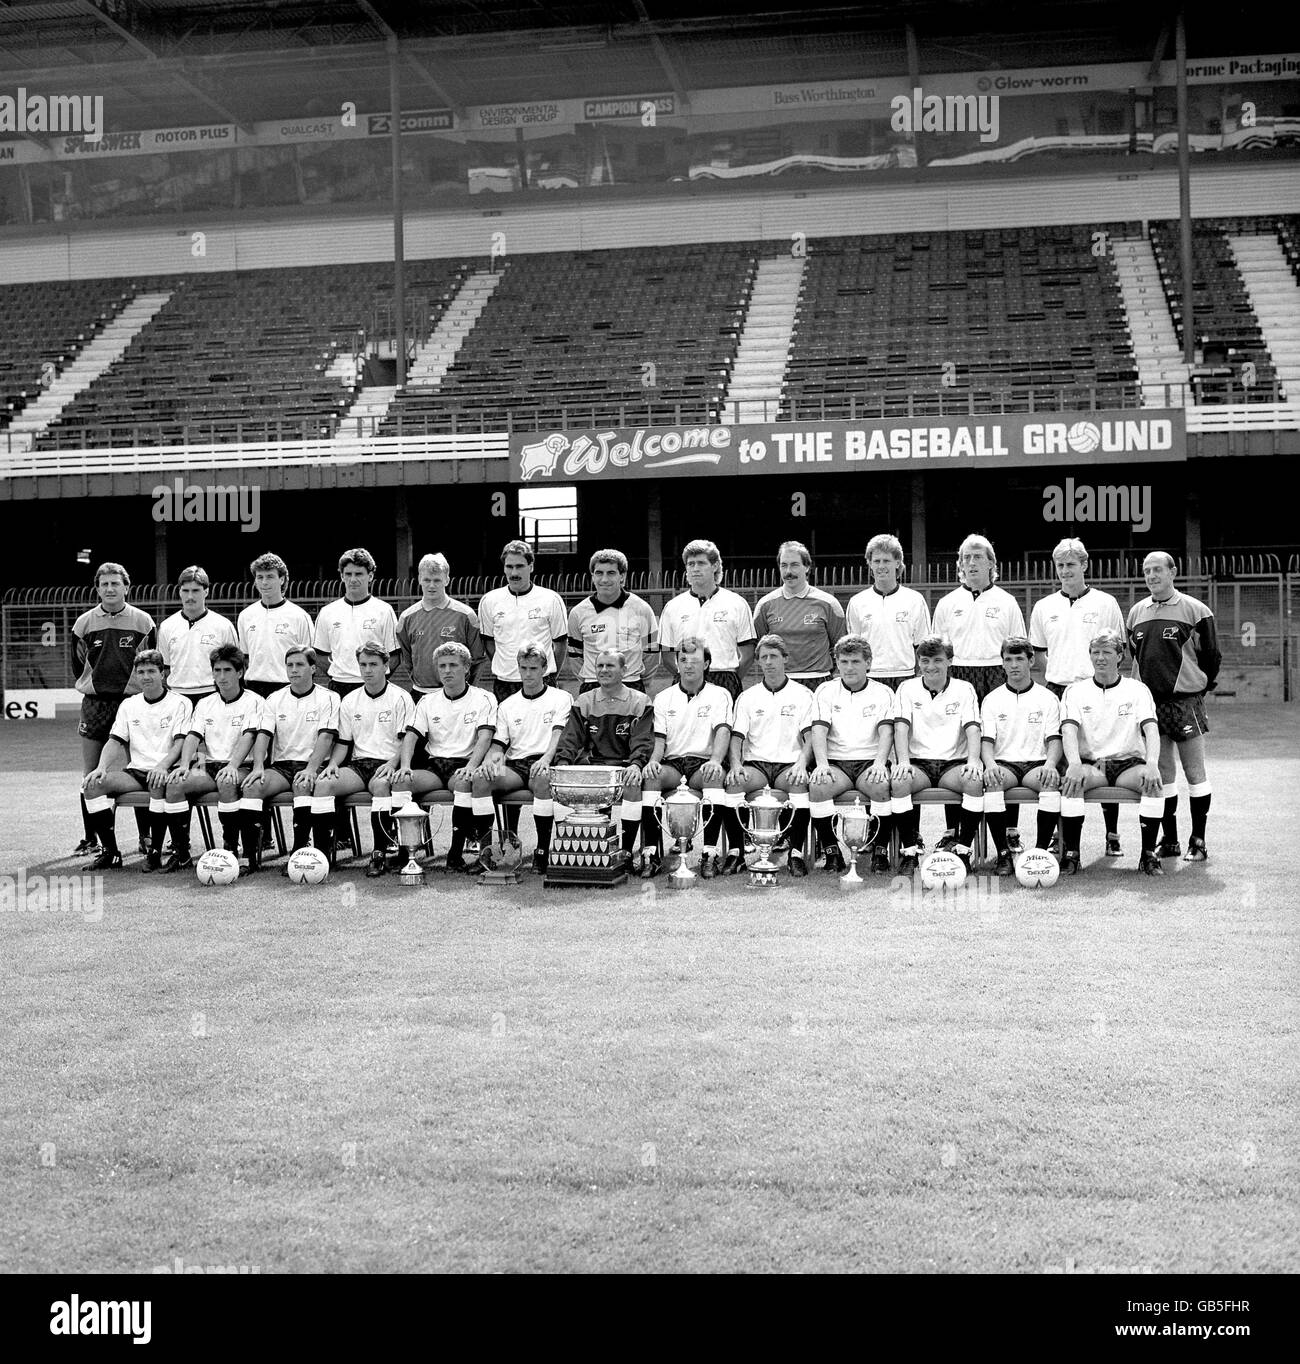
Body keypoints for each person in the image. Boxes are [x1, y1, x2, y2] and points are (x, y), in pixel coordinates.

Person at [1029, 538, 1126, 855]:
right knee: (1061, 764)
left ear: (1084, 565)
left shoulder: (1105, 603)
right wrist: (1060, 675)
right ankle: (1062, 835)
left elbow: (1117, 649)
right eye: (1060, 565)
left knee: (1100, 755)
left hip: (1096, 690)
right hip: (1058, 690)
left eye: (1071, 564)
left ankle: (1112, 834)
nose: (1065, 571)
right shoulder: (1044, 607)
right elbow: (1040, 655)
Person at [1125, 551, 1220, 862]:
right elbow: (1134, 655)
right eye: (1147, 571)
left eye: (1158, 570)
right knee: (1163, 773)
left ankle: (1199, 840)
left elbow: (1211, 657)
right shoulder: (1136, 612)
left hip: (1185, 703)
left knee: (1195, 772)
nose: (1152, 576)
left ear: (1173, 572)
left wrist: (1200, 686)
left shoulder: (1196, 610)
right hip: (1151, 706)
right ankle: (1171, 840)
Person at [931, 534, 1025, 846]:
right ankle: (952, 829)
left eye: (978, 557)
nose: (972, 563)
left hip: (996, 675)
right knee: (956, 748)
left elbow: (1017, 647)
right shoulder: (947, 604)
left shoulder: (1006, 601)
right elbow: (938, 650)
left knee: (1002, 748)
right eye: (966, 558)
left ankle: (1009, 829)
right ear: (960, 565)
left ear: (991, 564)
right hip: (959, 675)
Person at [1059, 630, 1165, 876]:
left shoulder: (1137, 690)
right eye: (1095, 652)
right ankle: (1072, 855)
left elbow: (1151, 730)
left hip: (1129, 764)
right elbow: (1069, 731)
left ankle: (1148, 856)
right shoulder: (1075, 691)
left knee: (1154, 785)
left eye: (1107, 652)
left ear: (1120, 657)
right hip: (1094, 765)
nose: (1100, 658)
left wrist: (1152, 763)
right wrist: (1074, 763)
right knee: (1071, 783)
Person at [71, 561, 156, 857]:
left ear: (126, 587)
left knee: (142, 767)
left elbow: (149, 664)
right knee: (91, 771)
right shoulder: (83, 624)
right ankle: (91, 838)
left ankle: (145, 838)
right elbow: (77, 666)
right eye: (104, 584)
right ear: (97, 588)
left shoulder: (143, 622)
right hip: (95, 705)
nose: (109, 588)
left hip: (132, 704)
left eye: (115, 583)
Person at [390, 642, 498, 874]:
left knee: (462, 782)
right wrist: (406, 766)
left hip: (463, 763)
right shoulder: (427, 701)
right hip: (433, 765)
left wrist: (471, 766)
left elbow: (485, 737)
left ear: (466, 668)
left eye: (453, 665)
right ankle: (403, 854)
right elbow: (411, 736)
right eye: (442, 666)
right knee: (400, 781)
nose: (447, 671)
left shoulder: (484, 698)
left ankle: (455, 854)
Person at [80, 649, 191, 872]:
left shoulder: (181, 703)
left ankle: (155, 853)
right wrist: (101, 768)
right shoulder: (129, 705)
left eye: (151, 671)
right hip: (136, 772)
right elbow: (114, 740)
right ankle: (110, 853)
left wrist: (162, 766)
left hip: (166, 771)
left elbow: (181, 743)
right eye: (141, 672)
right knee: (91, 786)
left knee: (157, 781)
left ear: (163, 673)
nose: (146, 677)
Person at [309, 641, 416, 870]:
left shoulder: (401, 697)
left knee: (380, 786)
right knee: (324, 783)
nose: (368, 670)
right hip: (359, 765)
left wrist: (392, 763)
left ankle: (379, 852)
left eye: (373, 664)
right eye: (363, 664)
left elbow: (405, 740)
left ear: (386, 666)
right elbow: (344, 743)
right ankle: (321, 856)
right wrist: (334, 764)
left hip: (389, 763)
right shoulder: (350, 700)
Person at [550, 649, 655, 869]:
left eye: (610, 666)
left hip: (625, 766)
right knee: (572, 784)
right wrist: (563, 764)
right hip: (594, 768)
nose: (604, 670)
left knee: (633, 786)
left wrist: (636, 764)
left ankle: (625, 853)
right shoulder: (585, 700)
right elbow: (571, 738)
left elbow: (643, 740)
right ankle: (578, 850)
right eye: (600, 666)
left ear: (624, 670)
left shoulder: (640, 701)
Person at [167, 644, 268, 872]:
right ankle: (181, 855)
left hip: (244, 765)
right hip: (209, 765)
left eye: (227, 670)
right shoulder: (205, 703)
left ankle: (231, 851)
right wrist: (184, 765)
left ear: (240, 672)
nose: (221, 676)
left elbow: (249, 736)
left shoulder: (255, 701)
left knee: (227, 780)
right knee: (174, 784)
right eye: (217, 670)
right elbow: (193, 736)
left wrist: (233, 765)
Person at [722, 635, 816, 877]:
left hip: (789, 765)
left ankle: (795, 853)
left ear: (785, 659)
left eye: (774, 656)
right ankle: (736, 853)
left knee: (801, 783)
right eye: (763, 657)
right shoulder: (748, 697)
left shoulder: (803, 694)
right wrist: (734, 764)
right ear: (758, 663)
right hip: (757, 765)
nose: (769, 662)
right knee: (734, 782)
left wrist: (802, 764)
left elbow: (810, 738)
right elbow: (737, 738)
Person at [640, 636, 732, 879]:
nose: (688, 665)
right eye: (683, 660)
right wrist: (653, 762)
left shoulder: (720, 694)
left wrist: (715, 759)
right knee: (651, 778)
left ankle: (709, 854)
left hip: (702, 762)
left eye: (694, 660)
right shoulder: (663, 697)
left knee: (715, 776)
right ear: (677, 664)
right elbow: (660, 740)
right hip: (673, 763)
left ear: (706, 663)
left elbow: (723, 731)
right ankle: (652, 854)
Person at [889, 635, 983, 873]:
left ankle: (962, 851)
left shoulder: (964, 689)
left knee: (973, 780)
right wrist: (903, 762)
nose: (931, 666)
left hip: (953, 765)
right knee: (899, 782)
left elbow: (973, 727)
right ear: (918, 662)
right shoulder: (906, 688)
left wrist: (973, 760)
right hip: (919, 764)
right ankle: (910, 852)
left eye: (938, 660)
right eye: (925, 660)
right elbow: (901, 727)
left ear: (950, 661)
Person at [242, 646, 340, 873]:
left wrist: (311, 769)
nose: (293, 670)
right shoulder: (275, 699)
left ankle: (299, 854)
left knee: (303, 783)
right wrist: (258, 767)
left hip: (314, 765)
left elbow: (326, 737)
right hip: (282, 767)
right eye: (290, 665)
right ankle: (249, 858)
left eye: (299, 665)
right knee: (252, 787)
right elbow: (264, 735)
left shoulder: (329, 697)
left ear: (313, 668)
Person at [479, 645, 573, 874]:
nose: (528, 674)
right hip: (515, 765)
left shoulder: (561, 698)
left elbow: (558, 734)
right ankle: (488, 851)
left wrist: (546, 759)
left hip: (544, 761)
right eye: (524, 668)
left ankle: (542, 851)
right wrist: (489, 763)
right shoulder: (508, 704)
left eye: (533, 668)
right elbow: (499, 744)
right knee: (481, 780)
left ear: (544, 669)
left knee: (542, 780)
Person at [808, 635, 897, 875]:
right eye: (844, 661)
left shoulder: (884, 692)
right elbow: (818, 730)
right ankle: (832, 854)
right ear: (836, 662)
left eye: (856, 661)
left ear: (868, 663)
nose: (849, 667)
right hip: (837, 763)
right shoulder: (825, 690)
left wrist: (880, 763)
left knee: (880, 785)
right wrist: (822, 764)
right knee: (818, 786)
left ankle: (880, 851)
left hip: (870, 761)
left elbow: (886, 731)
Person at [980, 637, 1064, 875]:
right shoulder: (992, 699)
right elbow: (987, 741)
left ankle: (1039, 854)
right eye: (1008, 660)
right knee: (992, 781)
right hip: (1004, 764)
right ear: (1002, 664)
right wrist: (990, 764)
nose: (1014, 664)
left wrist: (1050, 763)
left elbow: (1054, 740)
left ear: (1031, 660)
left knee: (1050, 782)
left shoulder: (1047, 698)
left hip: (1036, 764)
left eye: (1019, 659)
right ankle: (1004, 855)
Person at [658, 538, 756, 701]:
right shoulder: (673, 606)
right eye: (691, 564)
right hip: (686, 680)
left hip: (725, 678)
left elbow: (748, 654)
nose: (695, 569)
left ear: (715, 566)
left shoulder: (736, 603)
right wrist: (686, 674)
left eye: (701, 563)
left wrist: (732, 679)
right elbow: (667, 656)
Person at [478, 539, 568, 702]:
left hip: (543, 681)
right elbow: (489, 643)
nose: (514, 573)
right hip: (505, 683)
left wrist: (548, 674)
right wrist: (506, 667)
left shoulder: (551, 599)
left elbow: (561, 644)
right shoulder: (489, 600)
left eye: (519, 566)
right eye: (509, 566)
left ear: (531, 566)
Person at [751, 540, 845, 690]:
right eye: (784, 565)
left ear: (807, 567)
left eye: (794, 565)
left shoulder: (828, 603)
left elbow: (841, 647)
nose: (789, 571)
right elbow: (757, 647)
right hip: (781, 682)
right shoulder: (765, 605)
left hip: (819, 681)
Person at [566, 548, 659, 693]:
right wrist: (591, 678)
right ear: (592, 576)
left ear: (622, 576)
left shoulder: (642, 609)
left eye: (611, 573)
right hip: (593, 685)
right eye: (599, 573)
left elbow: (652, 653)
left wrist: (639, 681)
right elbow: (575, 656)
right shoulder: (577, 613)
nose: (604, 579)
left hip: (631, 684)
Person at [844, 534, 931, 689]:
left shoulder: (915, 600)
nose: (881, 566)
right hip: (870, 678)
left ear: (897, 562)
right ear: (870, 564)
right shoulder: (857, 602)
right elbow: (854, 648)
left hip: (905, 677)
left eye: (886, 561)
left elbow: (923, 646)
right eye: (876, 561)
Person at [396, 552, 483, 700]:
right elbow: (408, 660)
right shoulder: (406, 617)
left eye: (437, 580)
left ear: (447, 580)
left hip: (457, 694)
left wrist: (466, 690)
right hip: (420, 693)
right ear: (419, 579)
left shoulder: (466, 615)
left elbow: (477, 659)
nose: (431, 585)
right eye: (427, 580)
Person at [313, 548, 400, 694]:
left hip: (374, 687)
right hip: (338, 687)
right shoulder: (327, 612)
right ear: (341, 576)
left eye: (359, 574)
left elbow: (395, 656)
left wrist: (376, 679)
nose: (353, 579)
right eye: (348, 574)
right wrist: (339, 673)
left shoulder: (384, 610)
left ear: (370, 576)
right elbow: (320, 655)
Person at [237, 552, 314, 699]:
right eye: (260, 577)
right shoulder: (245, 616)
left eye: (270, 576)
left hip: (287, 687)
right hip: (253, 687)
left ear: (282, 579)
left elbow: (309, 661)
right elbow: (245, 658)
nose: (264, 582)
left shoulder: (299, 616)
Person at [156, 565, 238, 701]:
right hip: (177, 696)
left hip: (213, 694)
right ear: (179, 592)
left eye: (195, 591)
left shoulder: (223, 626)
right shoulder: (166, 626)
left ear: (206, 591)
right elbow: (164, 667)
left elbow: (235, 667)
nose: (190, 596)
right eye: (185, 591)